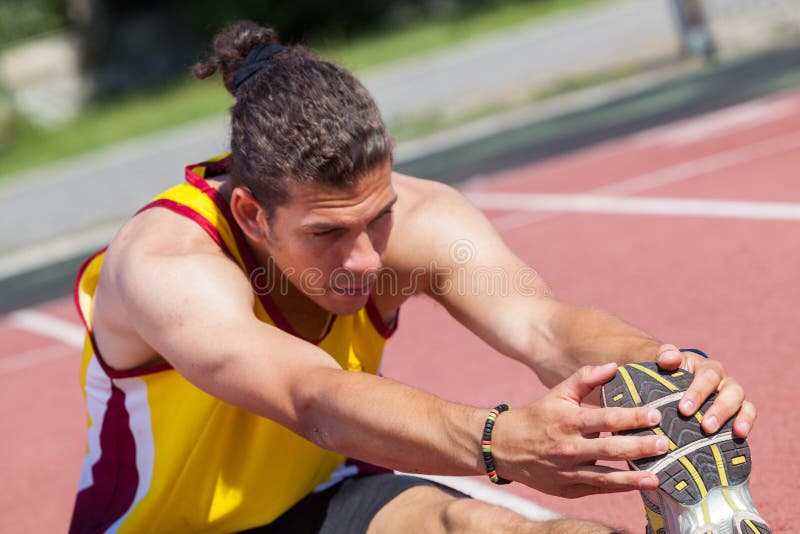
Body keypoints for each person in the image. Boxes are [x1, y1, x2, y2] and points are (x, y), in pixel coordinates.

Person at [69, 21, 756, 534]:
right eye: (328, 234)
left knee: (490, 527)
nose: (366, 257)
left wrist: (671, 377)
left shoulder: (420, 219)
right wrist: (497, 442)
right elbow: (310, 394)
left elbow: (541, 325)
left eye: (379, 215)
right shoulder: (171, 265)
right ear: (251, 214)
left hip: (321, 501)